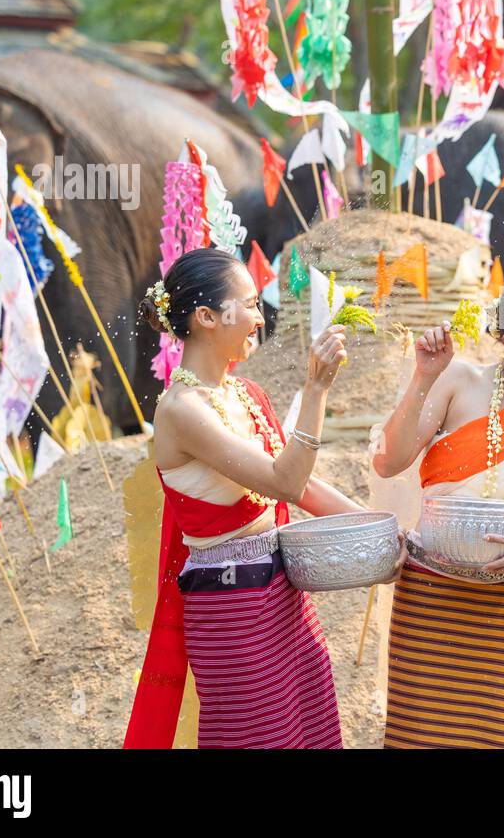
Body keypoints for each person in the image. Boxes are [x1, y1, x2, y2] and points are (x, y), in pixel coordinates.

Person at [124, 246, 383, 749]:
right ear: (206, 317)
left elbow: (303, 486)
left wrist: (377, 527)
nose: (259, 318)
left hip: (284, 593)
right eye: (248, 305)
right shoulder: (181, 409)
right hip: (232, 610)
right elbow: (285, 483)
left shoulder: (246, 393)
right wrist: (315, 391)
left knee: (314, 731)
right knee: (261, 737)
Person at [372, 271, 504, 748]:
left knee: (498, 735)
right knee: (422, 736)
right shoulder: (457, 382)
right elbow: (388, 461)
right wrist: (423, 377)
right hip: (431, 599)